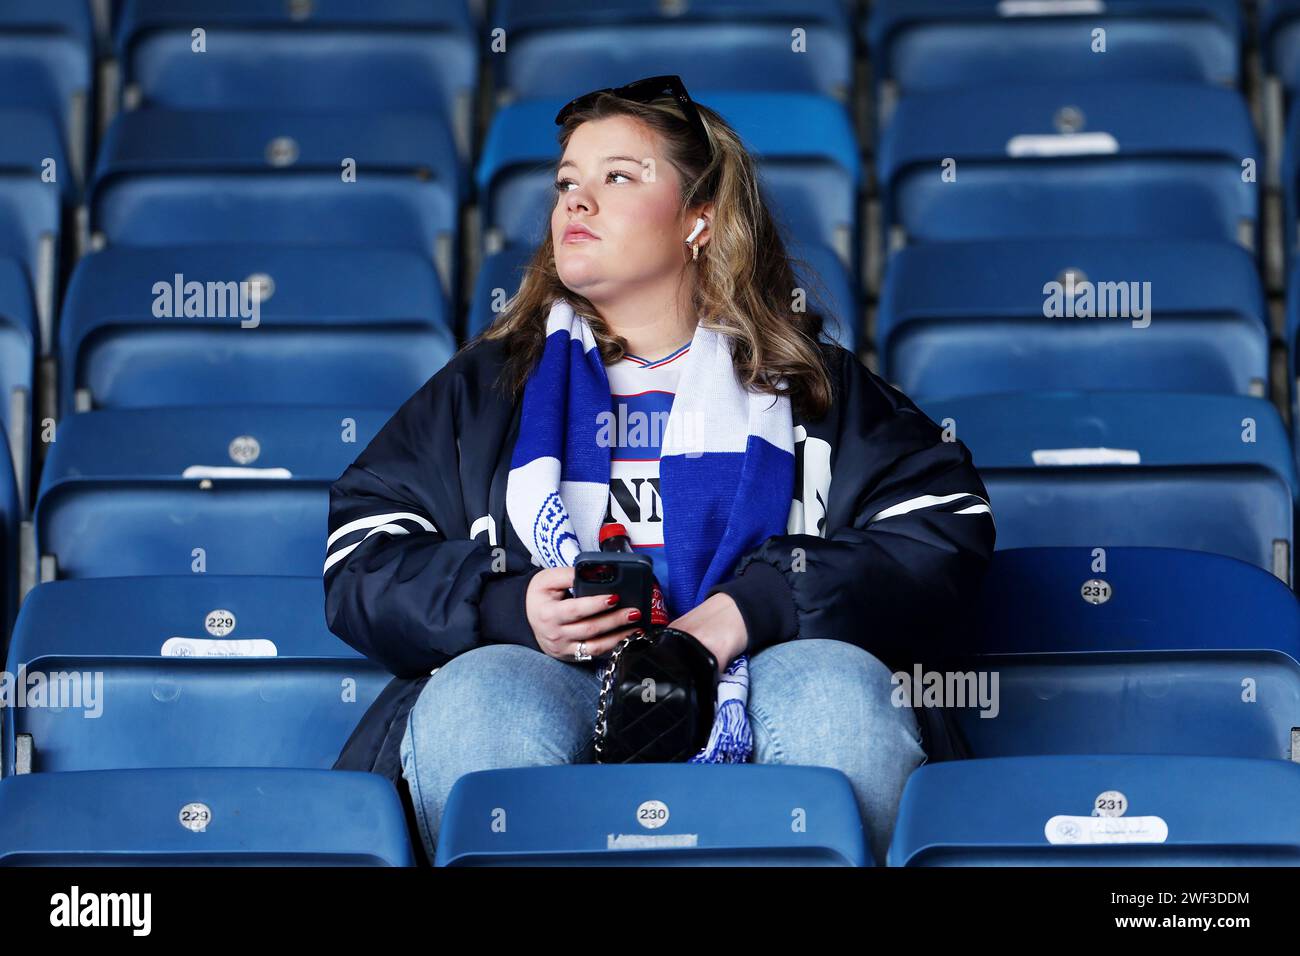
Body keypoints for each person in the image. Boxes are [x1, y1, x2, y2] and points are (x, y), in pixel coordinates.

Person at [324, 75, 996, 865]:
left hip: (759, 668)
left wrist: (746, 611)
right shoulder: (485, 388)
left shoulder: (813, 384)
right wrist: (507, 608)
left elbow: (945, 528)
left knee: (837, 696)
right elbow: (361, 550)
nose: (576, 201)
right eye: (567, 181)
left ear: (699, 219)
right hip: (553, 670)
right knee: (480, 698)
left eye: (618, 177)